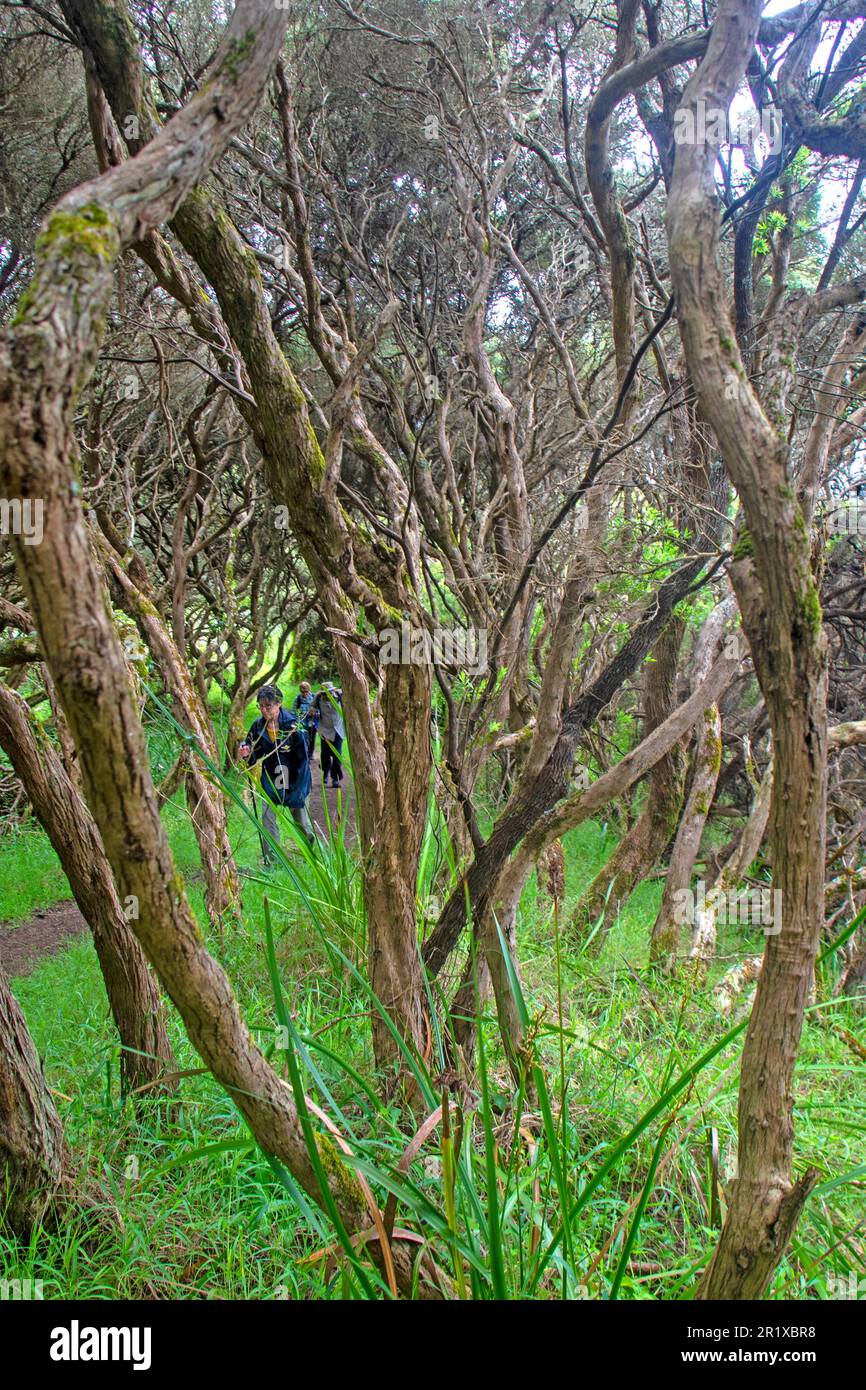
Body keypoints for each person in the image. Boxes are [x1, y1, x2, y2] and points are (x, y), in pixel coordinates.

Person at [238, 684, 315, 860]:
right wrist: (246, 751)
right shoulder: (258, 726)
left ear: (278, 703)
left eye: (268, 706)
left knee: (302, 823)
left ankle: (309, 857)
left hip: (296, 780)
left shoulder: (294, 725)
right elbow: (252, 753)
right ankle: (272, 859)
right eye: (261, 706)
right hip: (272, 781)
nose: (264, 710)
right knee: (267, 820)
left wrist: (299, 791)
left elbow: (303, 761)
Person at [315, 681, 345, 788]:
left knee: (337, 755)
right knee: (325, 755)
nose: (327, 695)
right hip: (325, 731)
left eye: (329, 692)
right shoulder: (318, 699)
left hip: (338, 730)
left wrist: (338, 692)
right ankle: (325, 773)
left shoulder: (339, 696)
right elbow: (312, 708)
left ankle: (335, 779)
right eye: (325, 693)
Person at [292, 680, 318, 763]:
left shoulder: (314, 697)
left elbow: (319, 710)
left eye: (306, 691)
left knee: (312, 738)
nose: (304, 693)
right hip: (302, 723)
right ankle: (306, 755)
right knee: (304, 738)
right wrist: (298, 719)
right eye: (302, 692)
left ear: (309, 690)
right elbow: (293, 711)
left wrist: (314, 713)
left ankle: (311, 753)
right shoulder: (298, 699)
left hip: (313, 722)